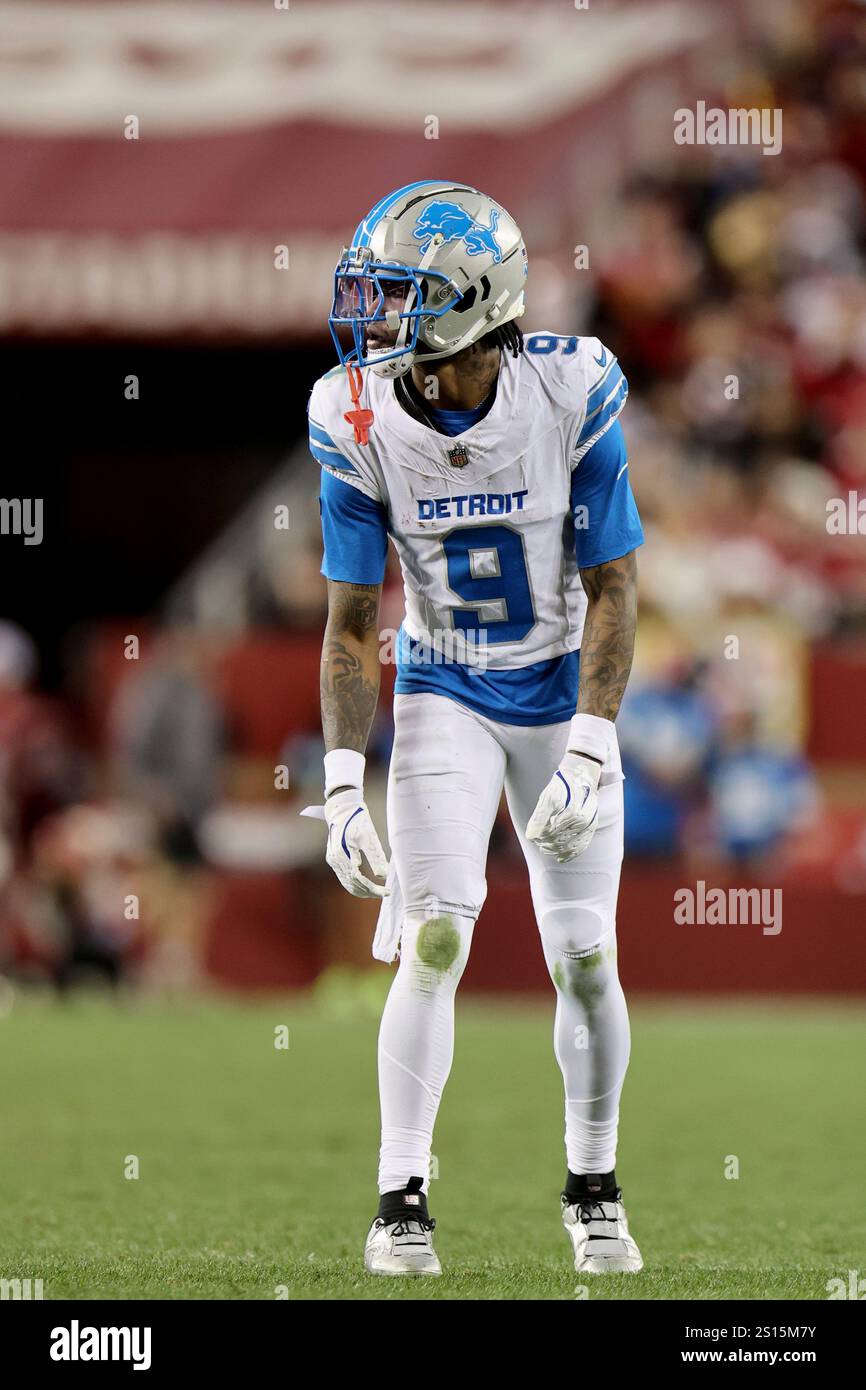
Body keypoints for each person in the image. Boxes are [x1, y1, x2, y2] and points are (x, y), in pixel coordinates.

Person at [302, 182, 645, 1277]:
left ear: (472, 300)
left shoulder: (565, 387)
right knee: (437, 931)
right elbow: (353, 618)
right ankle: (401, 1198)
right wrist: (343, 778)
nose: (379, 315)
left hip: (555, 687)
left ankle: (592, 1188)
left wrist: (591, 738)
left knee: (583, 957)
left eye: (402, 293)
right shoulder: (353, 416)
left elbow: (613, 586)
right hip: (442, 682)